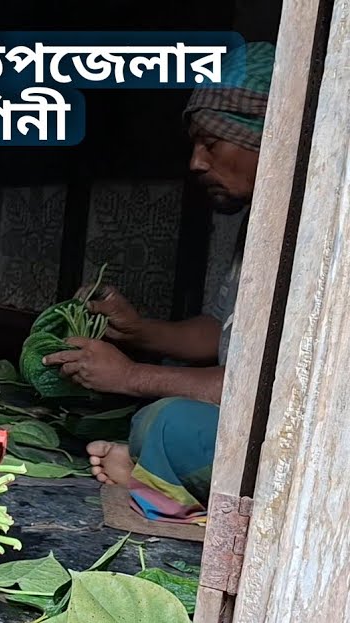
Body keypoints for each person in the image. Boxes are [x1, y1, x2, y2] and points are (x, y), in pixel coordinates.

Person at [42, 42, 275, 523]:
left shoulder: (318, 245)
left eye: (211, 143)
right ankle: (154, 472)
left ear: (266, 137)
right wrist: (138, 331)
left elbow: (264, 391)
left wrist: (130, 376)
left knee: (170, 422)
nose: (196, 162)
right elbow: (219, 331)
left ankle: (160, 488)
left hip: (292, 432)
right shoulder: (259, 225)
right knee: (152, 420)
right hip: (243, 412)